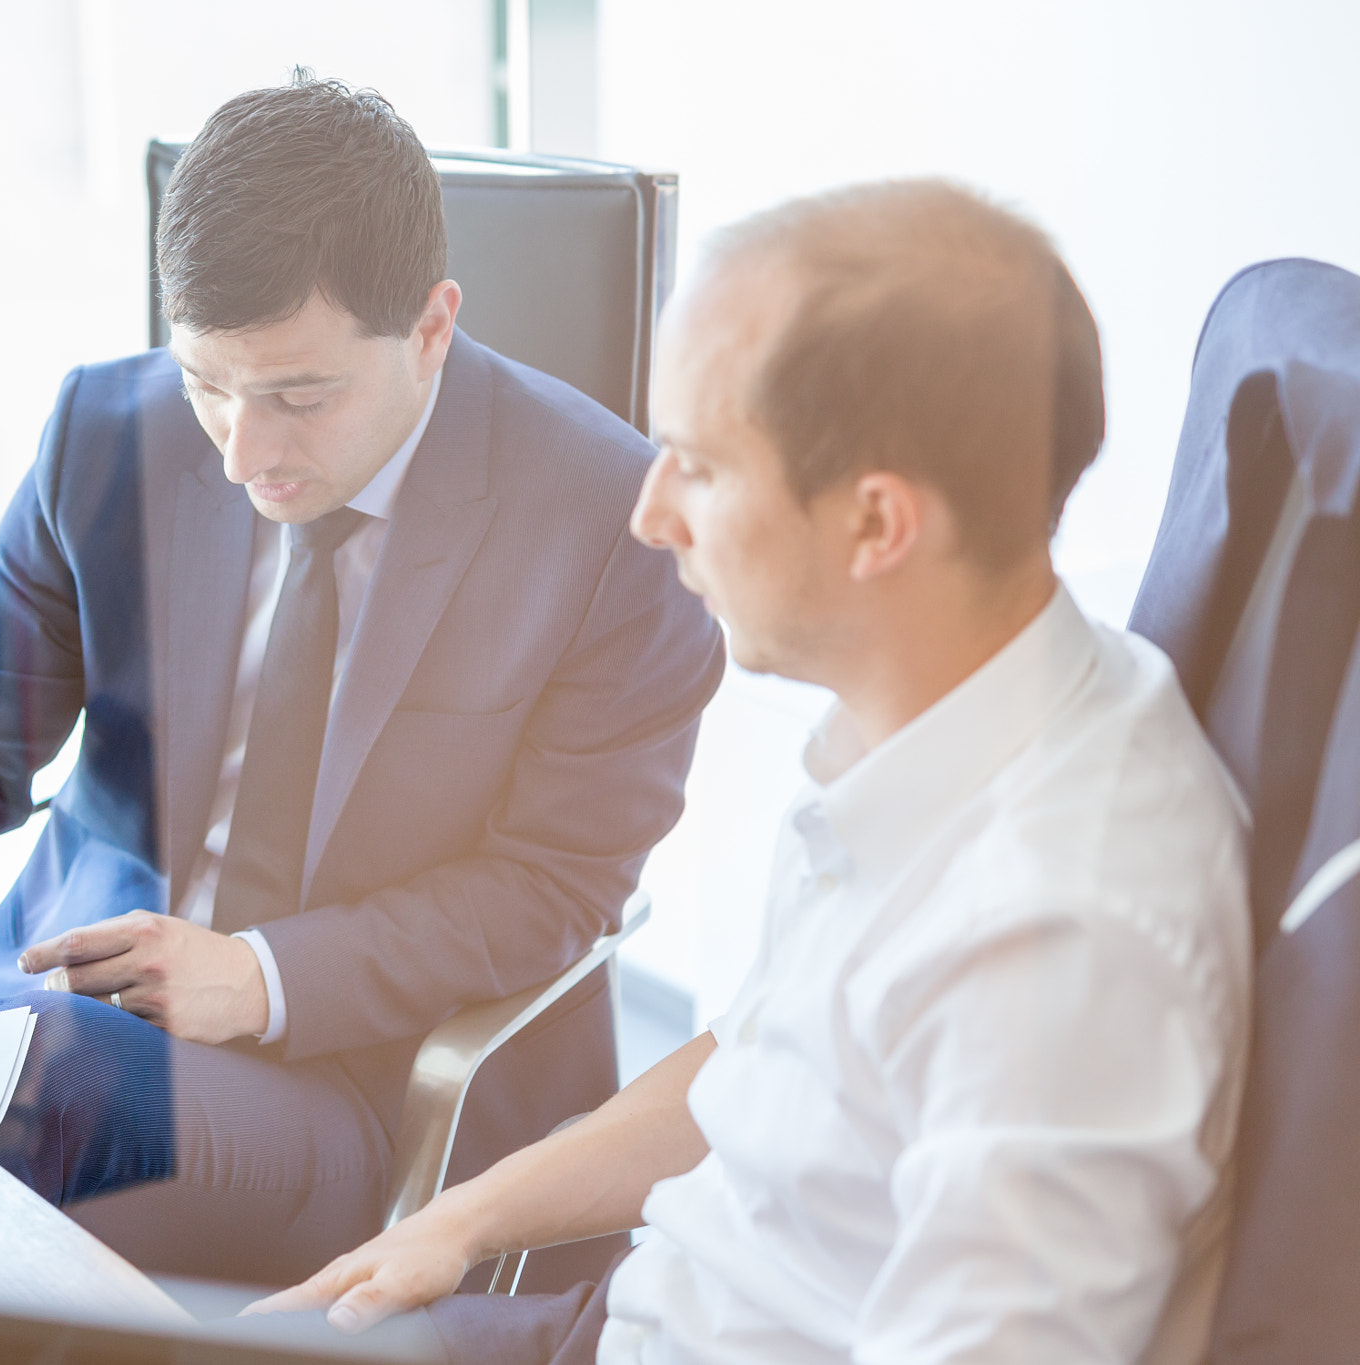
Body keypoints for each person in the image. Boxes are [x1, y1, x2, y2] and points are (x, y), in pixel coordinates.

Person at [0, 73, 725, 1286]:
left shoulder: (614, 525)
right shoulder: (106, 432)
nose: (241, 452)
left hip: (356, 1076)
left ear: (433, 328)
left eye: (296, 395)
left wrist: (264, 980)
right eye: (206, 382)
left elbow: (551, 886)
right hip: (53, 1021)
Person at [252, 180, 1253, 1364]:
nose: (648, 514)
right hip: (628, 1315)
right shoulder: (939, 723)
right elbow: (766, 1062)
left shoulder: (1054, 943)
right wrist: (455, 1223)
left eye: (697, 464)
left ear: (876, 526)